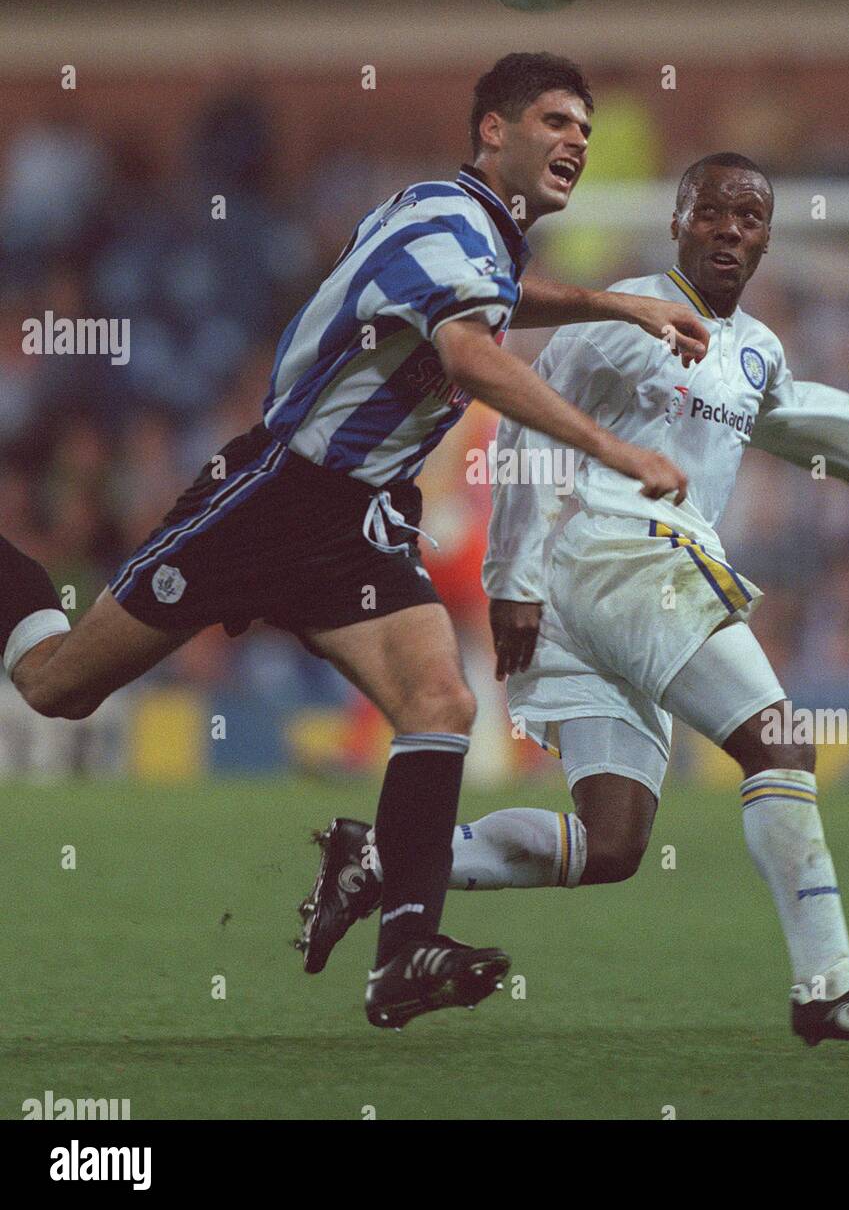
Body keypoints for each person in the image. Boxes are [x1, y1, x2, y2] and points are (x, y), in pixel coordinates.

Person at [0, 53, 712, 1032]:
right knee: (56, 686)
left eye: (585, 129)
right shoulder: (442, 218)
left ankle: (404, 953)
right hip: (274, 498)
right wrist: (609, 446)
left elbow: (501, 299)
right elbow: (470, 353)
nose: (576, 142)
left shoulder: (480, 241)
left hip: (357, 519)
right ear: (493, 131)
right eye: (555, 121)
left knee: (441, 700)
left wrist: (617, 303)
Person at [304, 152, 849, 1052]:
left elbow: (790, 420)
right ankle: (829, 986)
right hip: (625, 560)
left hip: (610, 595)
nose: (728, 230)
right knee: (777, 742)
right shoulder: (620, 317)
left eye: (748, 218)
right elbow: (530, 434)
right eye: (711, 211)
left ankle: (378, 859)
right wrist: (511, 580)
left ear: (766, 238)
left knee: (609, 843)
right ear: (678, 221)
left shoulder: (756, 349)